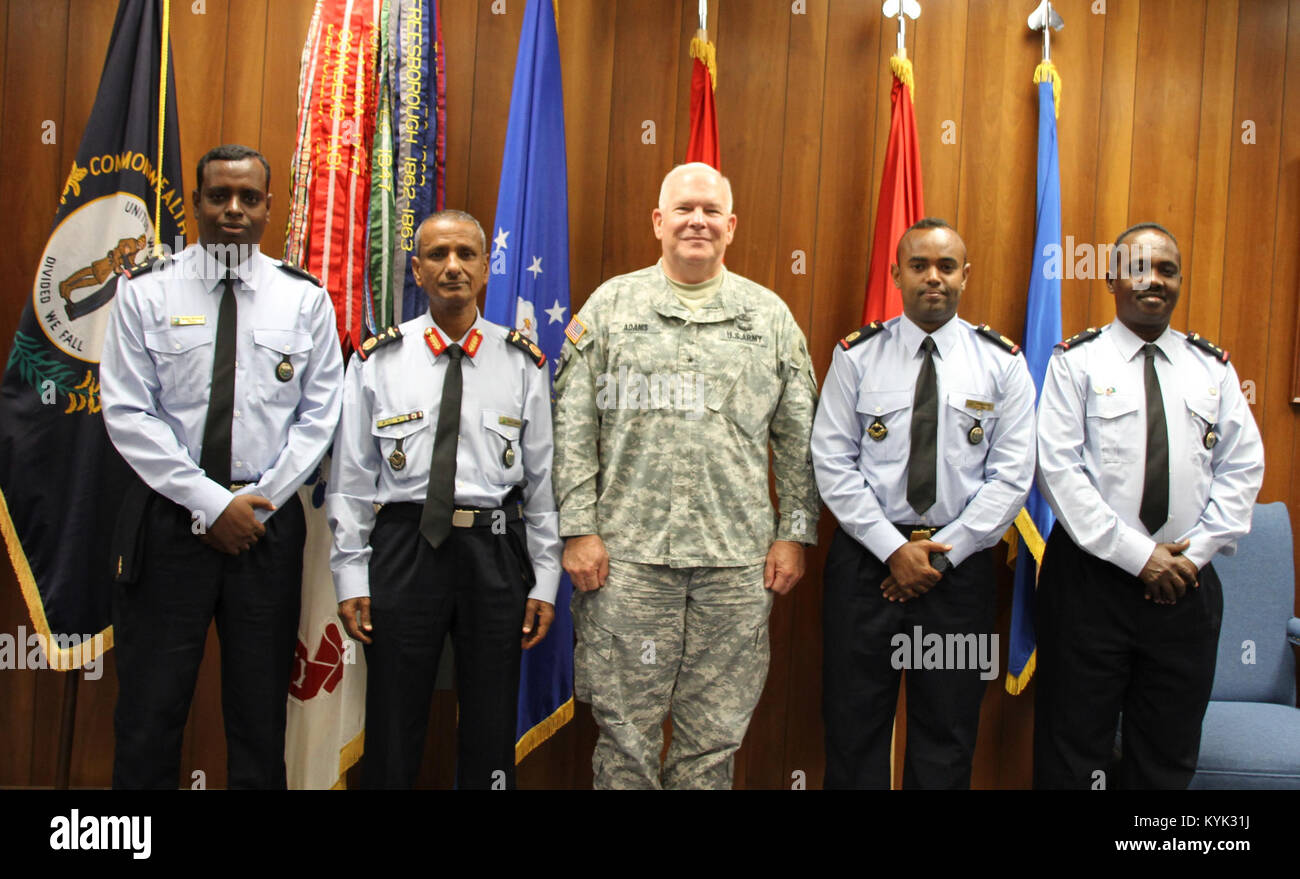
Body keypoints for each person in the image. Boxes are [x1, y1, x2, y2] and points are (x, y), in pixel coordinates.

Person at [553, 162, 820, 790]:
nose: (696, 220)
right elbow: (570, 426)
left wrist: (794, 533)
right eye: (682, 209)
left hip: (737, 562)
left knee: (712, 743)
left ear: (730, 226)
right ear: (658, 222)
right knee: (624, 738)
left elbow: (799, 437)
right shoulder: (612, 307)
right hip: (626, 558)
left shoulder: (769, 316)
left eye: (709, 211)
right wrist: (578, 529)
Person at [100, 143, 344, 788]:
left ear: (268, 208)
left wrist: (254, 503)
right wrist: (212, 504)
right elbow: (128, 413)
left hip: (266, 525)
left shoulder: (305, 301)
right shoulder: (145, 293)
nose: (233, 210)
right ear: (197, 203)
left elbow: (319, 416)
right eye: (218, 196)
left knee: (259, 716)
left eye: (249, 198)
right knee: (150, 713)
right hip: (167, 522)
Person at [327, 210, 560, 790]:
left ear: (485, 268)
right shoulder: (379, 361)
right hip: (406, 547)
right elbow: (352, 481)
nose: (452, 266)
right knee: (392, 714)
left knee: (490, 716)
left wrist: (546, 580)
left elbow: (541, 485)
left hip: (495, 550)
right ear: (417, 269)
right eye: (437, 255)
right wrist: (351, 578)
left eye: (465, 255)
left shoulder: (521, 363)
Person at [1034, 222, 1264, 789]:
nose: (1154, 280)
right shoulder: (1076, 362)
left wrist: (1192, 556)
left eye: (1167, 270)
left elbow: (1242, 468)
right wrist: (1141, 557)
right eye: (1140, 267)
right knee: (1072, 749)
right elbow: (1057, 470)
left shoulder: (1213, 369)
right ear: (1113, 278)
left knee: (1167, 756)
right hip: (1090, 584)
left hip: (1186, 588)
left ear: (1180, 281)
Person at [811, 217, 1036, 789]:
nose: (932, 278)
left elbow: (1012, 477)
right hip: (867, 565)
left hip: (957, 578)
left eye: (946, 266)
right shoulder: (856, 356)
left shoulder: (1003, 363)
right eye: (918, 266)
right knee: (854, 728)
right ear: (897, 275)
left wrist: (938, 557)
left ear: (966, 275)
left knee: (948, 730)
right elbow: (831, 464)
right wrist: (893, 551)